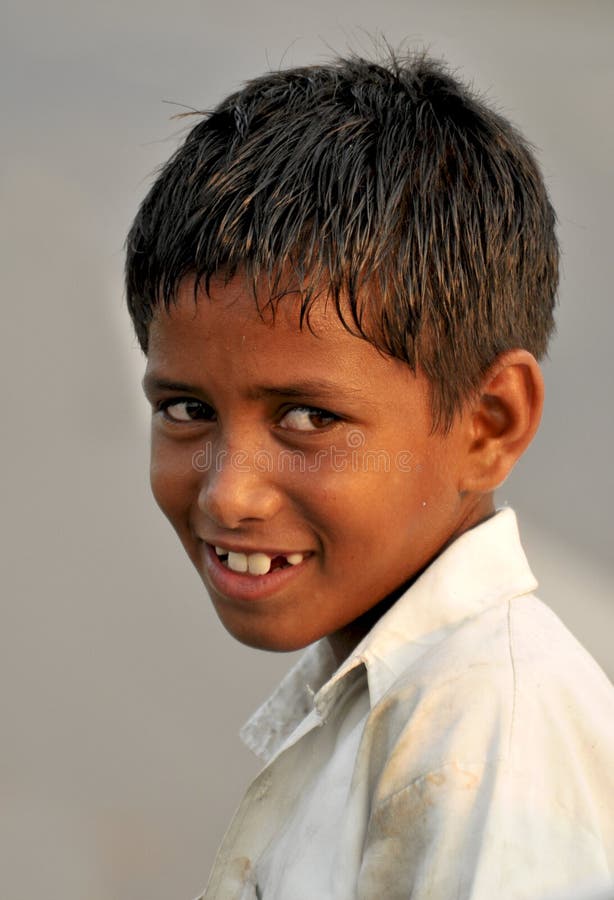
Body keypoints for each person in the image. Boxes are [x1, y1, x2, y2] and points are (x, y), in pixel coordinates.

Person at [125, 50, 614, 900]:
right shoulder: (401, 706)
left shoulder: (488, 729)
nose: (228, 492)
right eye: (185, 409)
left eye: (309, 418)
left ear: (489, 424)